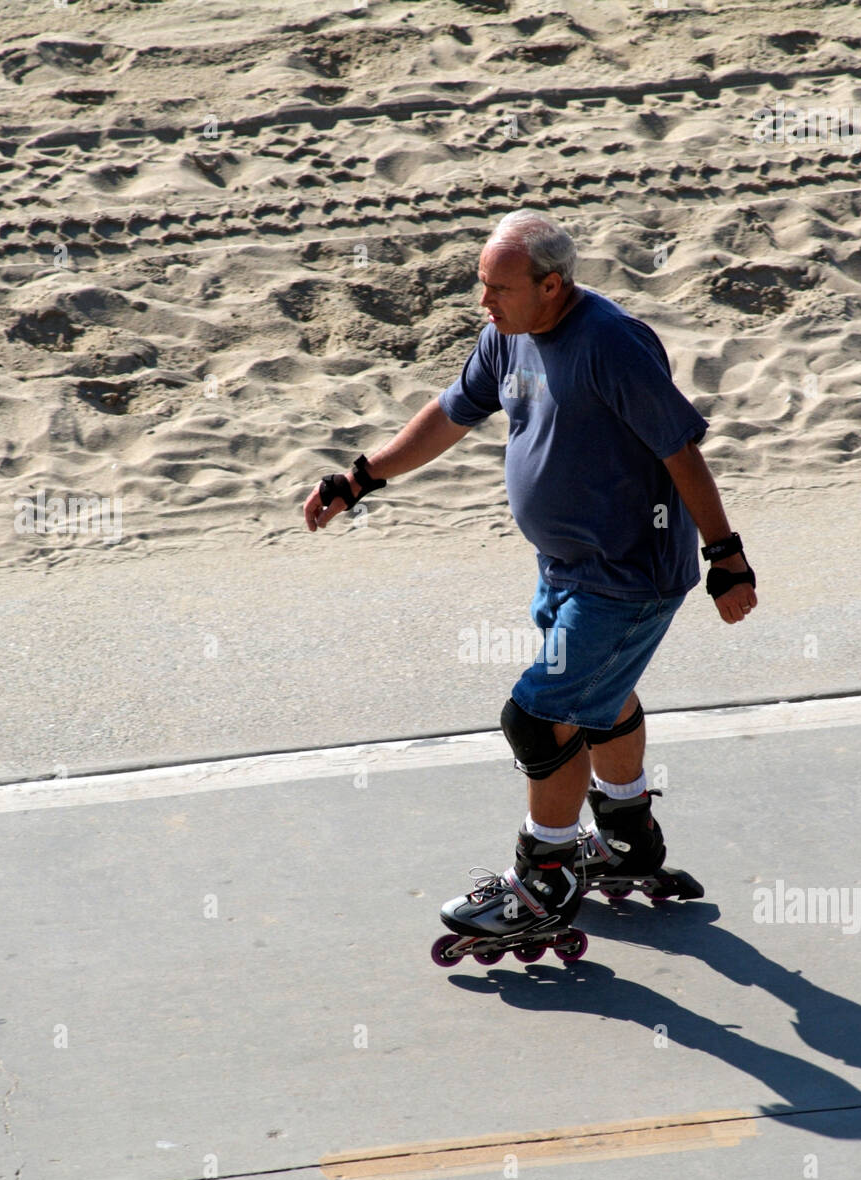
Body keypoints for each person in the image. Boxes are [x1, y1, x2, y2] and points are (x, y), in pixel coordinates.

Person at [304, 209, 756, 948]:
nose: (484, 303)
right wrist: (361, 478)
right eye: (481, 287)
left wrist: (726, 558)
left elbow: (681, 452)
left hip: (627, 573)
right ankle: (627, 836)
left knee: (540, 717)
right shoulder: (507, 338)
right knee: (598, 700)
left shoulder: (609, 345)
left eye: (498, 289)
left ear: (551, 285)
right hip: (568, 566)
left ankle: (542, 877)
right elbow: (451, 414)